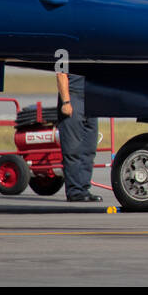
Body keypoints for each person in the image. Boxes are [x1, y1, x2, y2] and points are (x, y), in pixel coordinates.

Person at [56, 72, 101, 202]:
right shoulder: (65, 52)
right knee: (72, 148)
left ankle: (84, 188)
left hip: (90, 98)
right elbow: (60, 74)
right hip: (73, 97)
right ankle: (74, 191)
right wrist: (66, 102)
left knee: (89, 148)